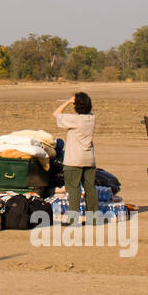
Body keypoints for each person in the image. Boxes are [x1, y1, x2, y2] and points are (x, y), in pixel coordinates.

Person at [53, 92, 97, 224]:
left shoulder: (75, 120)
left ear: (76, 106)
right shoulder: (92, 118)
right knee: (90, 189)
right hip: (89, 158)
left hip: (74, 160)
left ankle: (73, 219)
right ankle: (93, 219)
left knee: (74, 189)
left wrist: (68, 101)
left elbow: (56, 113)